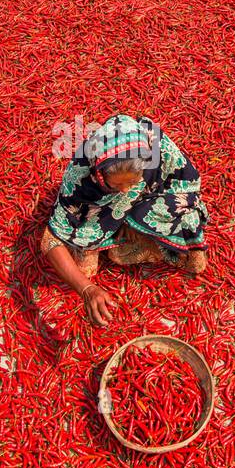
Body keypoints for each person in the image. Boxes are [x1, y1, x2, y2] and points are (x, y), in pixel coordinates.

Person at [41, 114, 209, 326]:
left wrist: (135, 218)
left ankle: (136, 225)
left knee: (184, 222)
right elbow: (49, 239)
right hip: (99, 208)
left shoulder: (155, 145)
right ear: (100, 173)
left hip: (148, 196)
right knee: (84, 270)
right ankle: (115, 229)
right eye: (116, 185)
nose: (125, 190)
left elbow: (187, 184)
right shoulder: (81, 176)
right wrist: (86, 288)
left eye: (132, 181)